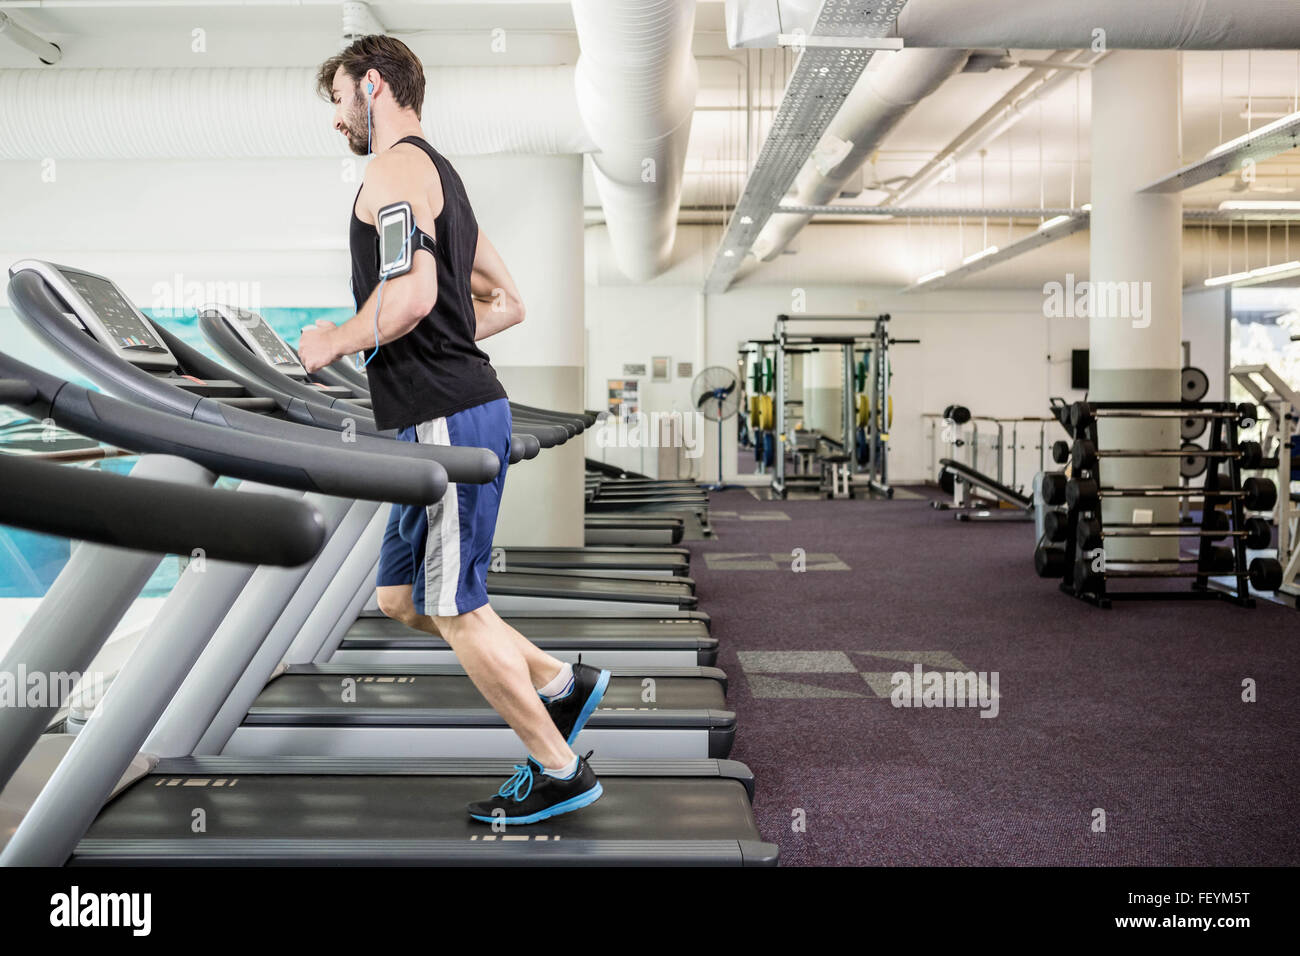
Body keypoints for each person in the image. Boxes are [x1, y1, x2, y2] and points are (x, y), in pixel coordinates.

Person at [297, 34, 608, 825]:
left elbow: (408, 297)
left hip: (445, 414)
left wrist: (333, 341)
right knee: (403, 597)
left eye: (339, 99)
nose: (337, 119)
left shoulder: (394, 168)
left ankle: (560, 769)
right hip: (447, 407)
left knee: (457, 607)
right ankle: (560, 683)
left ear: (373, 86)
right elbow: (507, 301)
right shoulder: (443, 179)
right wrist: (436, 344)